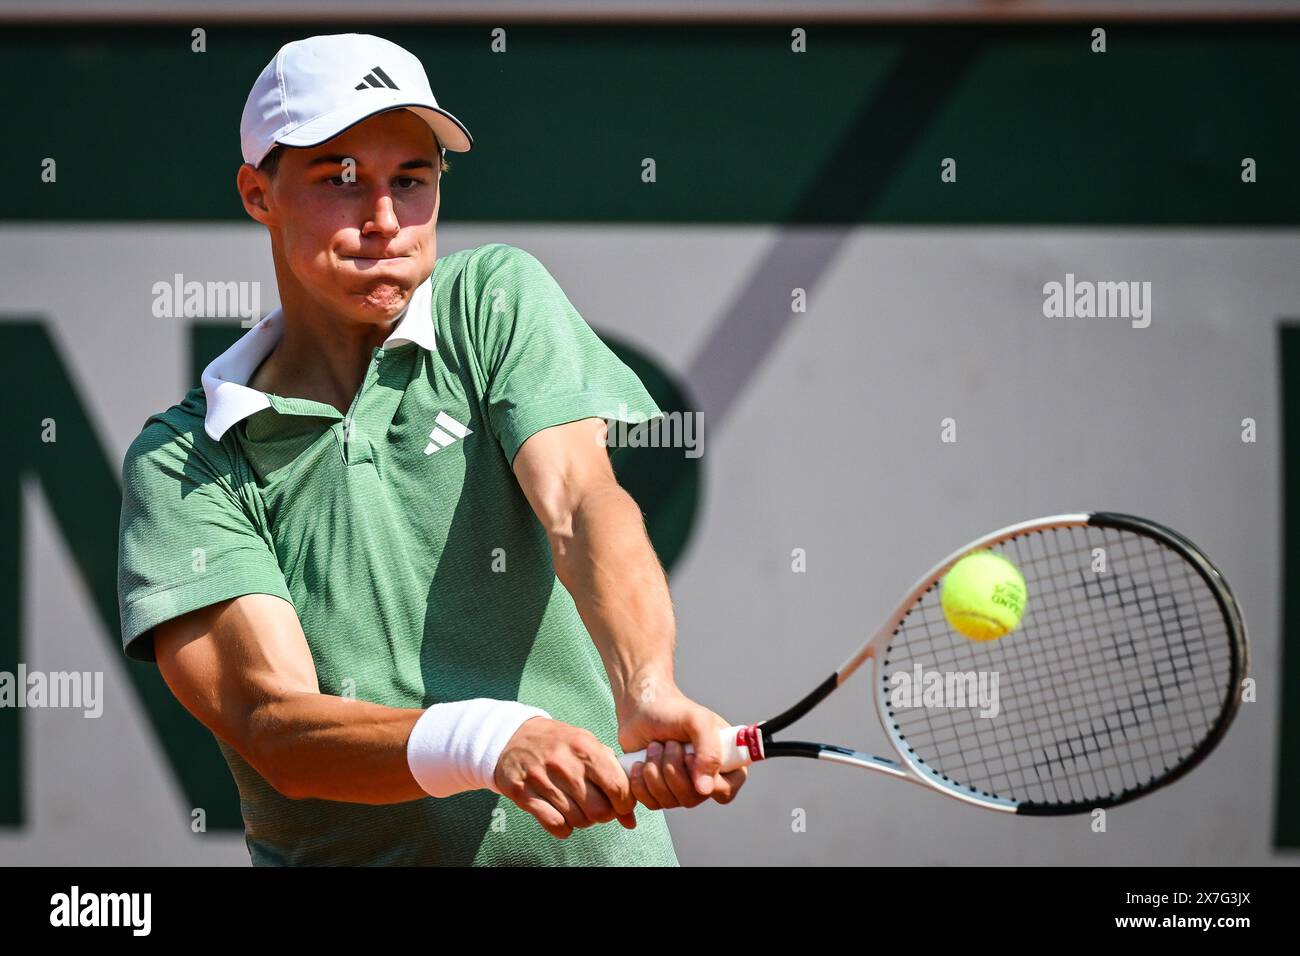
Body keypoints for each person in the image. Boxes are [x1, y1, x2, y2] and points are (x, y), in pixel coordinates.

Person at [116, 32, 745, 865]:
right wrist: (487, 741)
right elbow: (277, 725)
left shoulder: (492, 302)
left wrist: (648, 688)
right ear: (258, 193)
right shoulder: (184, 464)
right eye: (342, 180)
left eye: (411, 181)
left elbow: (580, 503)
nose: (384, 221)